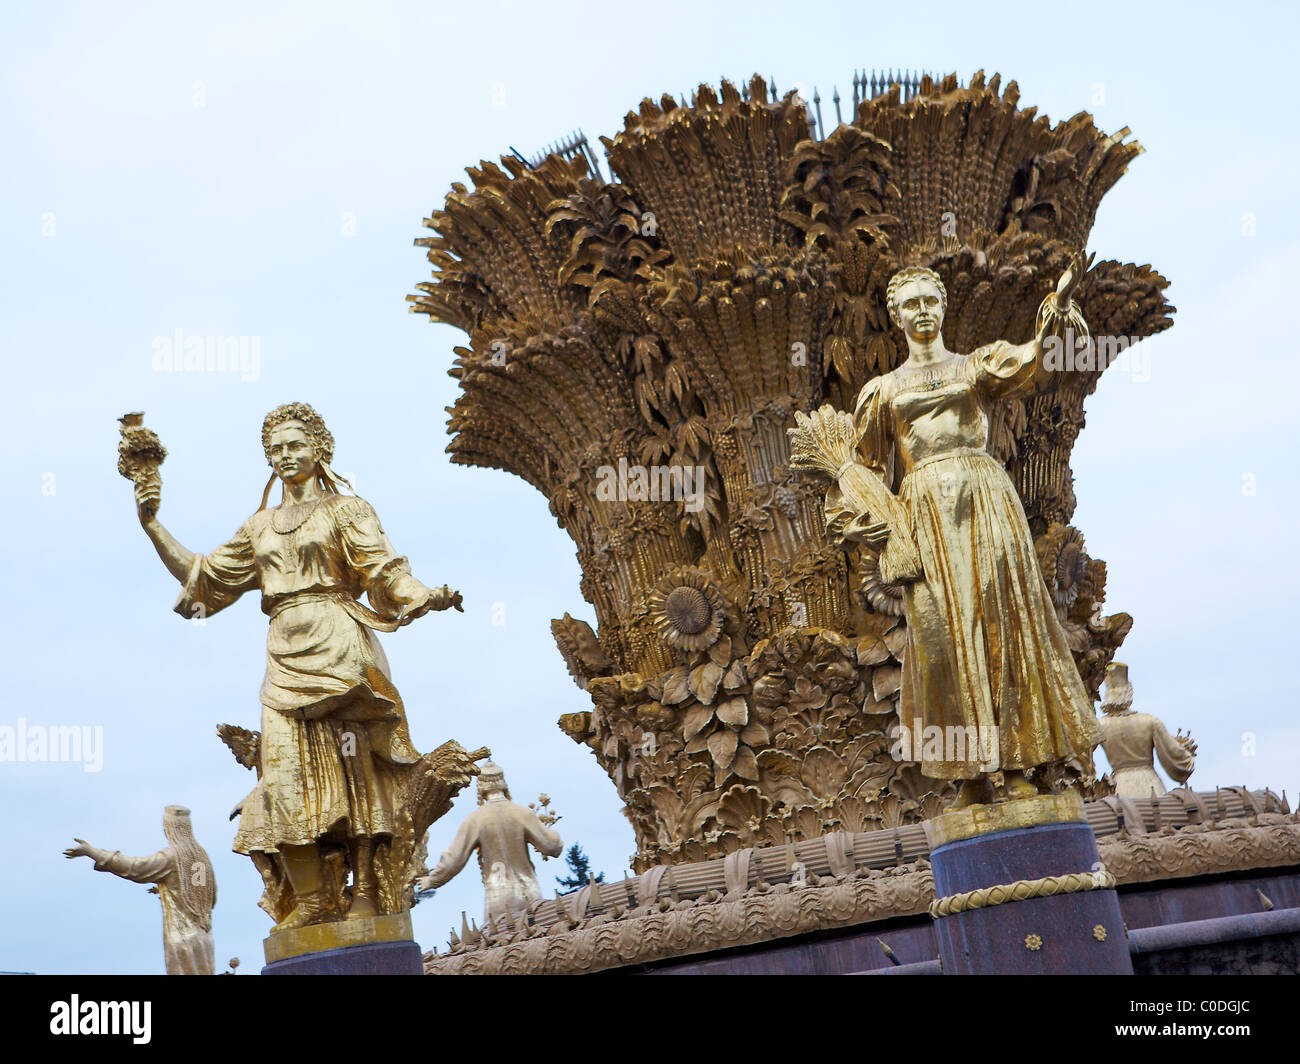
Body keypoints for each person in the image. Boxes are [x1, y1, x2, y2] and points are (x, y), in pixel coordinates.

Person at [134, 402, 462, 929]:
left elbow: (385, 570)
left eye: (295, 445)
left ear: (319, 450)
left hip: (339, 641)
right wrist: (151, 524)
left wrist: (422, 594)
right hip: (283, 651)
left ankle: (367, 893)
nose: (285, 456)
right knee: (283, 774)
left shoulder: (347, 511)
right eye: (276, 449)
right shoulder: (259, 526)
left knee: (353, 769)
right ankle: (310, 897)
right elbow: (204, 577)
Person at [827, 257, 1101, 806]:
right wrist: (878, 525)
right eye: (911, 304)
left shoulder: (974, 366)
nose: (922, 311)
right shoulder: (883, 391)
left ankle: (1022, 763)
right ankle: (970, 775)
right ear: (897, 317)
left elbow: (1031, 362)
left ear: (943, 307)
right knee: (942, 637)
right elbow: (859, 468)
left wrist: (1059, 308)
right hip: (925, 513)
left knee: (1006, 619)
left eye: (931, 301)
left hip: (984, 499)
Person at [64, 805, 216, 975]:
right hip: (203, 937)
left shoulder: (172, 857)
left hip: (181, 936)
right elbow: (202, 891)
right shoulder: (200, 857)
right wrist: (166, 889)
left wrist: (92, 852)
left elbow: (135, 867)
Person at [416, 761, 562, 923]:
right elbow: (552, 847)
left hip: (498, 895)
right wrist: (552, 832)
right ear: (503, 783)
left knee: (502, 939)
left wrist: (433, 880)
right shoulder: (523, 813)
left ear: (481, 786)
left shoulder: (476, 819)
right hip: (530, 891)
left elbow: (454, 858)